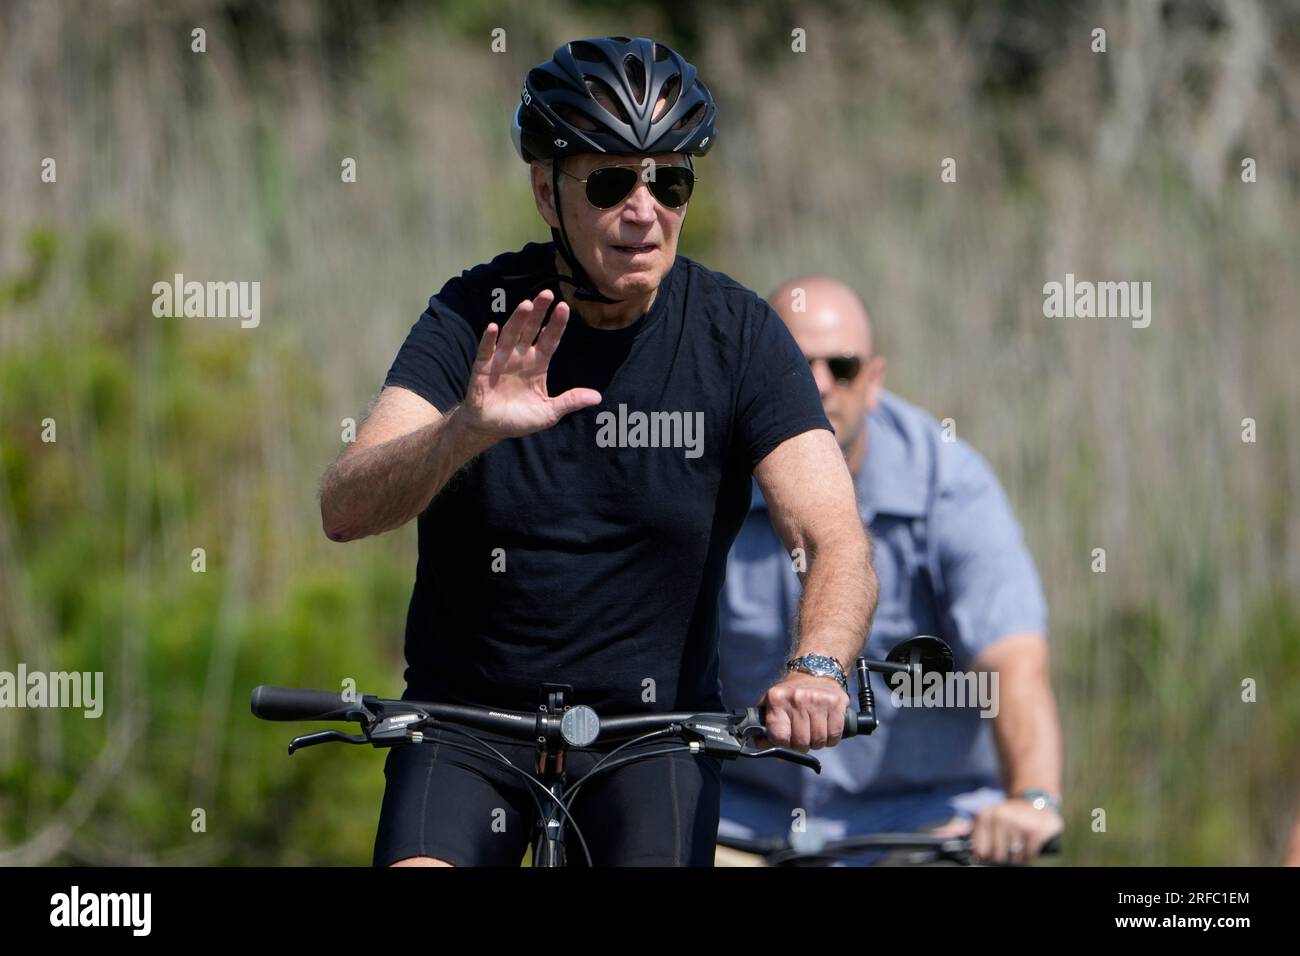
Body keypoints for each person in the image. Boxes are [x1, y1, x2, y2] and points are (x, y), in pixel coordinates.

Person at [318, 38, 877, 867]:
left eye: (671, 180)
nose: (644, 209)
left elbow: (835, 538)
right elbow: (344, 505)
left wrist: (819, 667)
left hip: (651, 737)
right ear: (547, 191)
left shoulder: (742, 336)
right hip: (468, 727)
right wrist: (463, 430)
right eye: (611, 181)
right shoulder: (477, 314)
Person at [716, 276, 1064, 865]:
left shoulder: (948, 484)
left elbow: (1013, 659)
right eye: (795, 365)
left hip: (917, 826)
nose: (819, 384)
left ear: (873, 382)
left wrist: (1032, 798)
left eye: (842, 367)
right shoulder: (702, 485)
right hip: (739, 823)